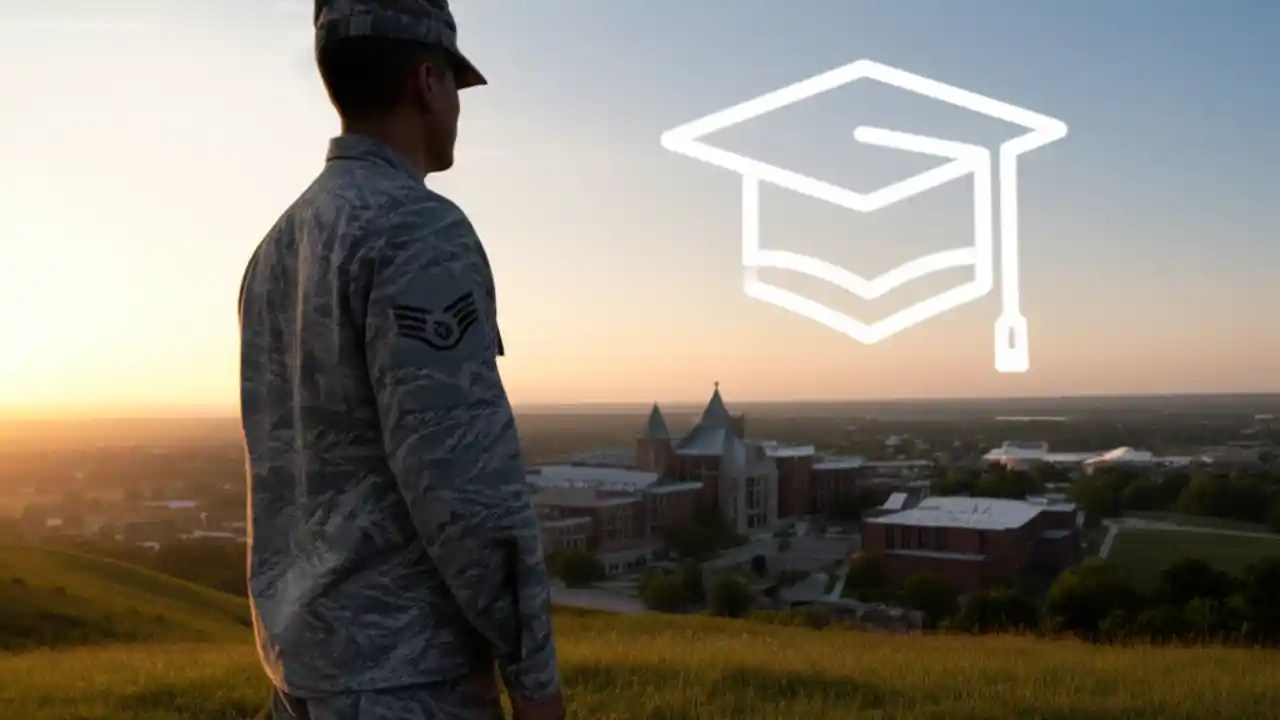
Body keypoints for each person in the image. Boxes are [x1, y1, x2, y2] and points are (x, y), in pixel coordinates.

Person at [237, 1, 564, 718]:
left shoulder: (275, 250)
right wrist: (534, 678)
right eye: (455, 83)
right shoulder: (419, 230)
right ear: (426, 81)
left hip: (300, 677)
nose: (458, 108)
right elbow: (467, 485)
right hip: (409, 684)